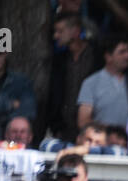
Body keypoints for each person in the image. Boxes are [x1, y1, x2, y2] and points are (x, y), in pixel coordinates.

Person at [48, 12, 96, 144]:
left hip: (92, 132)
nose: (56, 35)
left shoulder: (96, 56)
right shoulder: (60, 61)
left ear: (75, 31)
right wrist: (56, 126)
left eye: (60, 31)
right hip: (64, 131)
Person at [76, 33, 128, 131]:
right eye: (122, 52)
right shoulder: (91, 83)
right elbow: (83, 121)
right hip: (101, 143)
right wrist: (112, 132)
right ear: (108, 57)